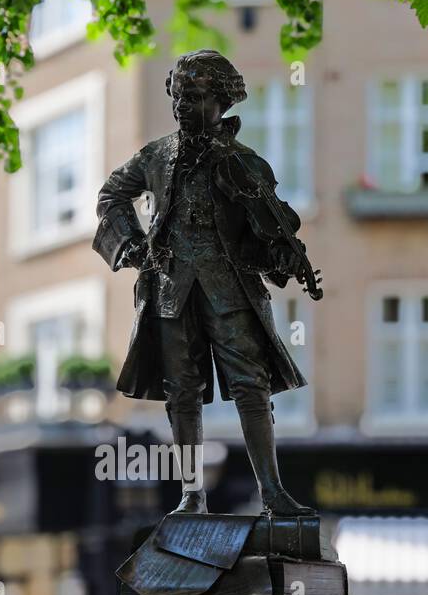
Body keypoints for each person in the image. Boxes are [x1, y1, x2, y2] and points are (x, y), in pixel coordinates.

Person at [93, 48, 317, 516]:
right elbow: (113, 194)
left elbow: (266, 235)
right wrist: (132, 246)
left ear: (222, 102)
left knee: (251, 386)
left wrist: (280, 255)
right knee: (182, 391)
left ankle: (272, 493)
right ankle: (191, 495)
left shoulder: (244, 162)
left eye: (194, 98)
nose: (182, 107)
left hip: (230, 289)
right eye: (178, 96)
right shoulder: (156, 155)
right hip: (172, 290)